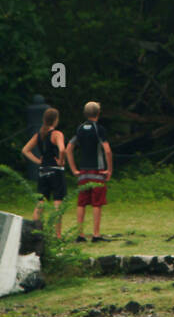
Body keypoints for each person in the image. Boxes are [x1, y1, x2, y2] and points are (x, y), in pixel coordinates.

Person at [64, 101, 113, 242]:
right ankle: (96, 234)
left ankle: (80, 234)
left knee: (82, 202)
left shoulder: (79, 129)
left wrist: (73, 169)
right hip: (97, 171)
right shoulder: (99, 129)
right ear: (98, 113)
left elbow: (69, 148)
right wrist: (109, 169)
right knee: (97, 203)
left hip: (83, 172)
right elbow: (107, 150)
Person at [21, 107, 67, 238]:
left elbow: (25, 150)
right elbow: (62, 149)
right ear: (55, 120)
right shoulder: (57, 134)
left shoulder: (39, 135)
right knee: (58, 203)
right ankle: (58, 235)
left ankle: (36, 233)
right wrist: (61, 161)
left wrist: (38, 161)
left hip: (43, 171)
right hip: (56, 171)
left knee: (40, 202)